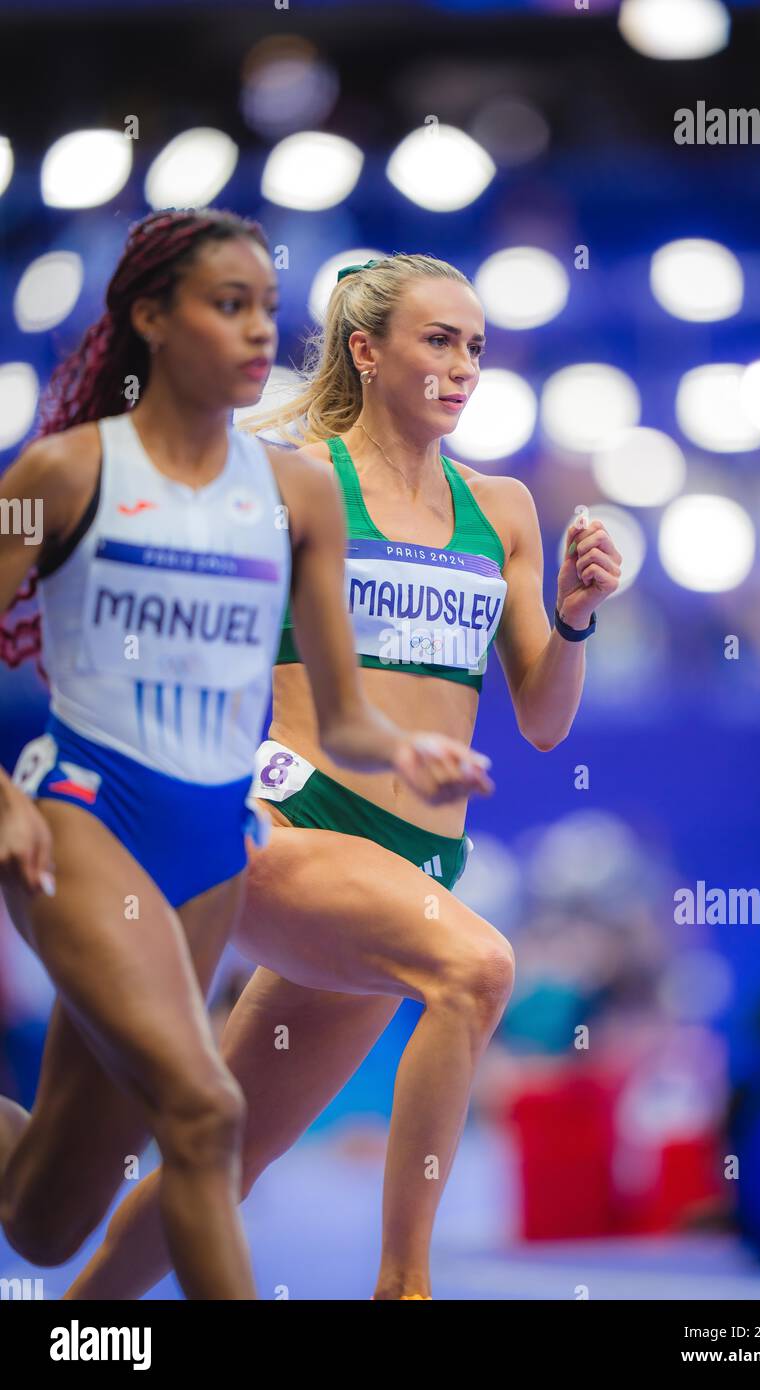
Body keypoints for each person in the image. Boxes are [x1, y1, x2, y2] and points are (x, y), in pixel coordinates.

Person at [64, 251, 621, 1301]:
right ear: (365, 352)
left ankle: (77, 1325)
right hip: (287, 825)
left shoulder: (498, 509)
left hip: (413, 867)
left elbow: (543, 721)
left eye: (475, 348)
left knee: (226, 1161)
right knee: (476, 969)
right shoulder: (286, 477)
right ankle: (402, 1286)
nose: (463, 367)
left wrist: (573, 616)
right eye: (437, 341)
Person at [0, 223, 492, 1300]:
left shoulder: (291, 493)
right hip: (89, 811)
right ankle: (399, 1288)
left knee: (46, 1213)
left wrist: (407, 748)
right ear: (151, 319)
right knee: (207, 1116)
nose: (259, 329)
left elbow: (345, 707)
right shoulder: (56, 469)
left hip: (213, 838)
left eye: (266, 307)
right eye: (229, 304)